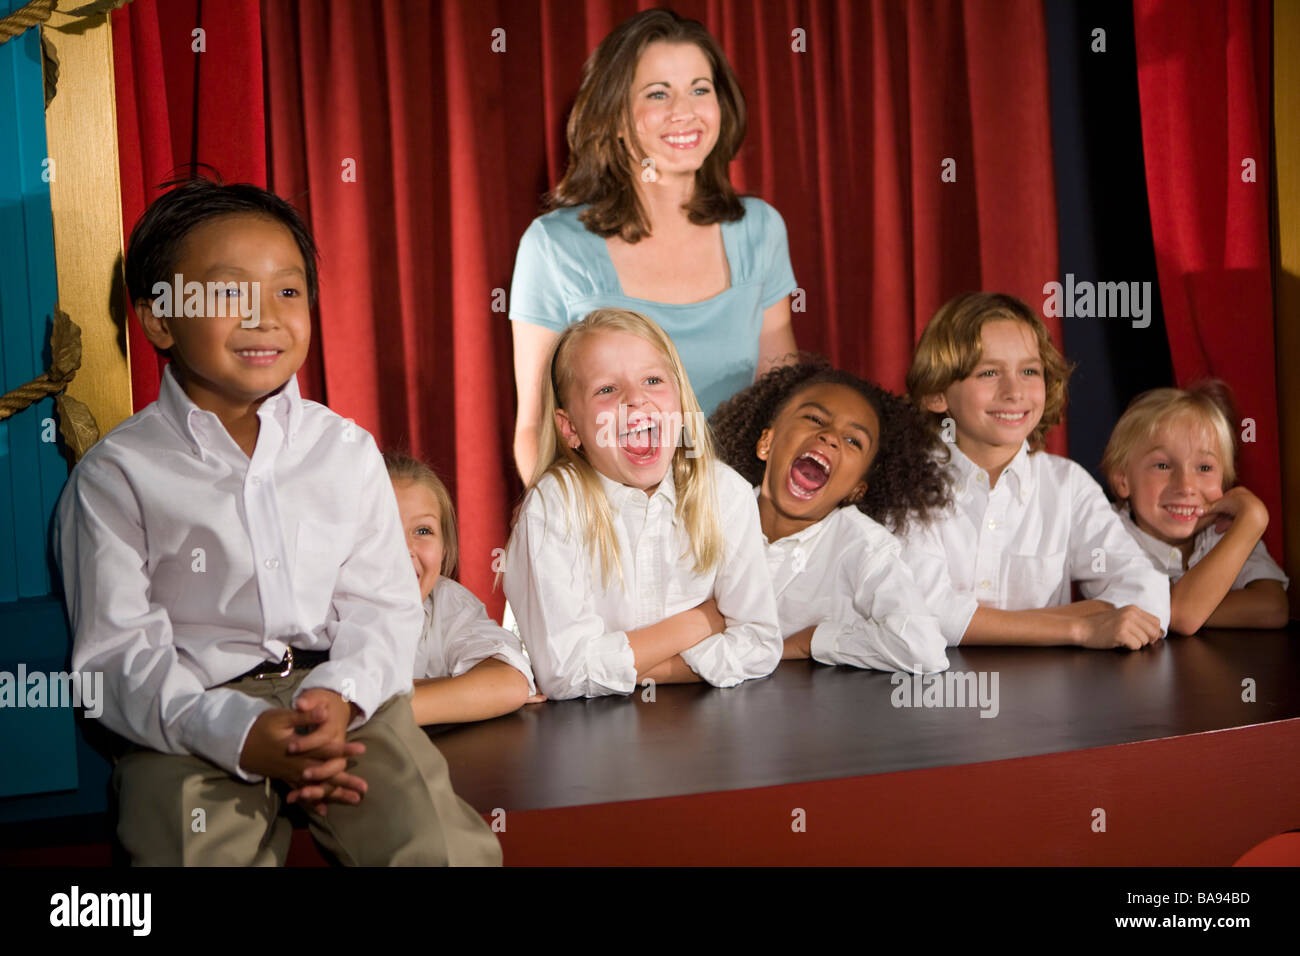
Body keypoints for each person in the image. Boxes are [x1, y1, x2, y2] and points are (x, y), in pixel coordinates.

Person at [54, 178, 500, 865]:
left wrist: (339, 699)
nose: (266, 316)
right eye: (229, 292)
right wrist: (236, 730)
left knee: (438, 847)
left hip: (343, 702)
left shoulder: (344, 450)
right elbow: (117, 660)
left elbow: (382, 608)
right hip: (191, 716)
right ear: (159, 319)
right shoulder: (117, 478)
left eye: (288, 292)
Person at [509, 7, 798, 482]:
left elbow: (780, 401)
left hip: (738, 521)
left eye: (700, 90)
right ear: (616, 117)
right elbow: (536, 429)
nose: (684, 111)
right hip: (610, 528)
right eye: (658, 93)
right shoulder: (553, 246)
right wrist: (578, 542)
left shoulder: (760, 229)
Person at [502, 307, 782, 700]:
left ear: (681, 404)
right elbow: (564, 674)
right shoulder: (554, 506)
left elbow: (760, 646)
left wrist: (628, 664)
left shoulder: (726, 494)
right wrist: (699, 622)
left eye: (653, 380)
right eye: (606, 389)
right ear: (571, 429)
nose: (636, 399)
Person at [900, 292, 1171, 650]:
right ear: (937, 394)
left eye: (1029, 371)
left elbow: (1148, 595)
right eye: (989, 372)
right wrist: (1081, 628)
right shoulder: (907, 482)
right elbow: (924, 614)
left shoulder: (1066, 485)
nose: (1014, 391)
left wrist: (987, 624)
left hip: (1050, 700)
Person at [711, 359, 950, 673]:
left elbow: (924, 649)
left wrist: (813, 640)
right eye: (814, 418)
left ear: (856, 489)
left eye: (854, 441)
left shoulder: (862, 546)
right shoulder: (713, 512)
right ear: (766, 443)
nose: (830, 437)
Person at [1101, 382, 1289, 633]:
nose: (1186, 486)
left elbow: (1272, 607)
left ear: (1225, 482)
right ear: (1123, 480)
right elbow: (1182, 615)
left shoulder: (1226, 530)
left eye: (1204, 468)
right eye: (1163, 466)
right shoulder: (1107, 530)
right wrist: (1254, 518)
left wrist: (1174, 608)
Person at [385, 452, 544, 723]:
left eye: (423, 531)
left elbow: (507, 682)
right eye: (384, 528)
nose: (405, 550)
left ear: (445, 549)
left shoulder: (446, 602)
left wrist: (369, 709)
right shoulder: (318, 610)